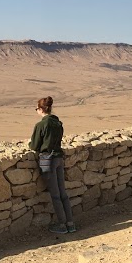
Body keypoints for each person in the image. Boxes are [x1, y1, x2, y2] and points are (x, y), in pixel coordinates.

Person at [29, 96, 75, 233]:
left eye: (37, 108)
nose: (37, 111)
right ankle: (71, 224)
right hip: (59, 158)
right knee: (63, 193)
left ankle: (62, 226)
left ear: (41, 109)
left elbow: (34, 145)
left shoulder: (41, 125)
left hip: (47, 160)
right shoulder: (58, 123)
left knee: (55, 195)